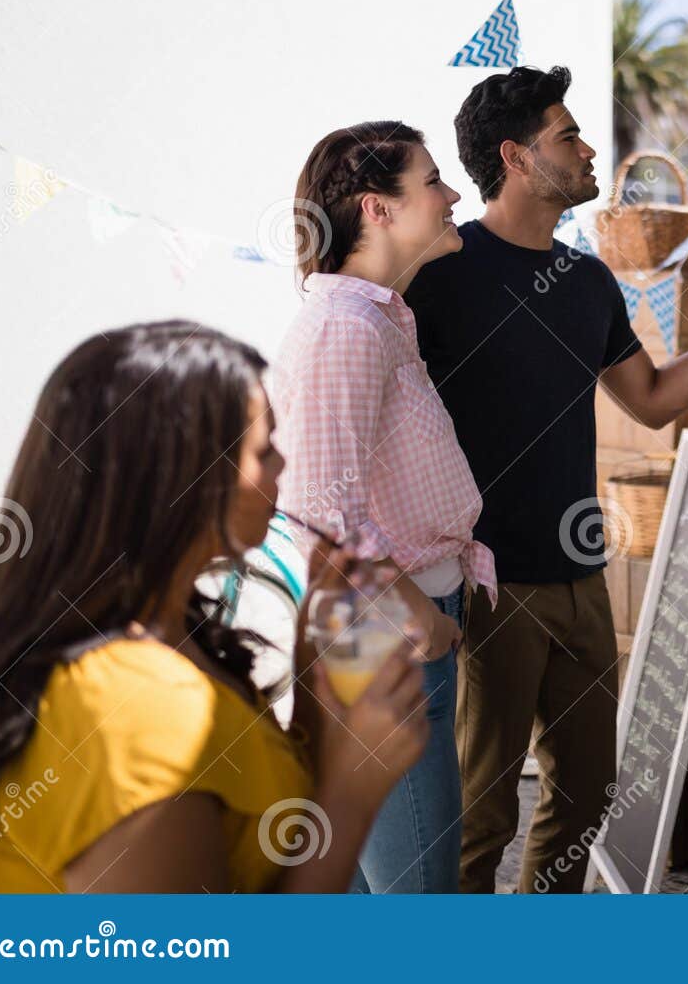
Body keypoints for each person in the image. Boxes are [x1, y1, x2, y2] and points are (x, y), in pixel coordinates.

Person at [404, 65, 688, 893]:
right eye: (568, 135)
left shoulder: (586, 282)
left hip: (582, 579)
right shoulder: (440, 273)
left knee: (585, 801)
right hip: (486, 588)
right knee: (481, 816)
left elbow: (651, 401)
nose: (588, 151)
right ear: (514, 157)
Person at [0, 322, 428, 893]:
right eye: (264, 449)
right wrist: (356, 791)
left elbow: (264, 842)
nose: (283, 470)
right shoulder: (137, 706)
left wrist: (313, 673)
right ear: (187, 478)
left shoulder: (178, 640)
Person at [271, 120, 495, 893]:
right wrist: (418, 615)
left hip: (389, 632)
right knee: (419, 889)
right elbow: (318, 509)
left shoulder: (378, 319)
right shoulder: (348, 327)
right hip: (381, 639)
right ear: (378, 208)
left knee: (387, 884)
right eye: (433, 181)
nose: (453, 194)